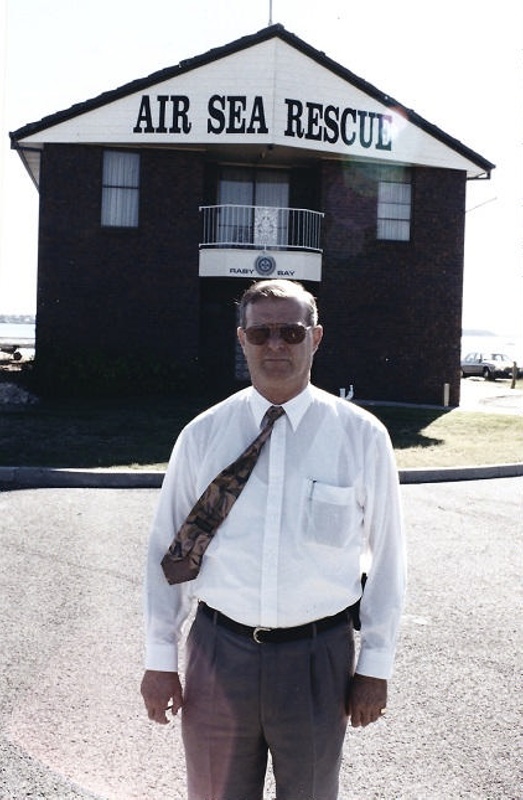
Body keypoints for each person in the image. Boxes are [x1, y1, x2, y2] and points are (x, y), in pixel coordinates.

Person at [141, 279, 406, 800]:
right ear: (242, 340)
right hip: (218, 653)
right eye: (261, 334)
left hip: (317, 659)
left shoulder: (361, 436)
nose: (276, 345)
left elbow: (389, 557)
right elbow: (167, 553)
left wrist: (375, 666)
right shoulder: (203, 435)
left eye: (290, 331)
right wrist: (159, 659)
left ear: (316, 338)